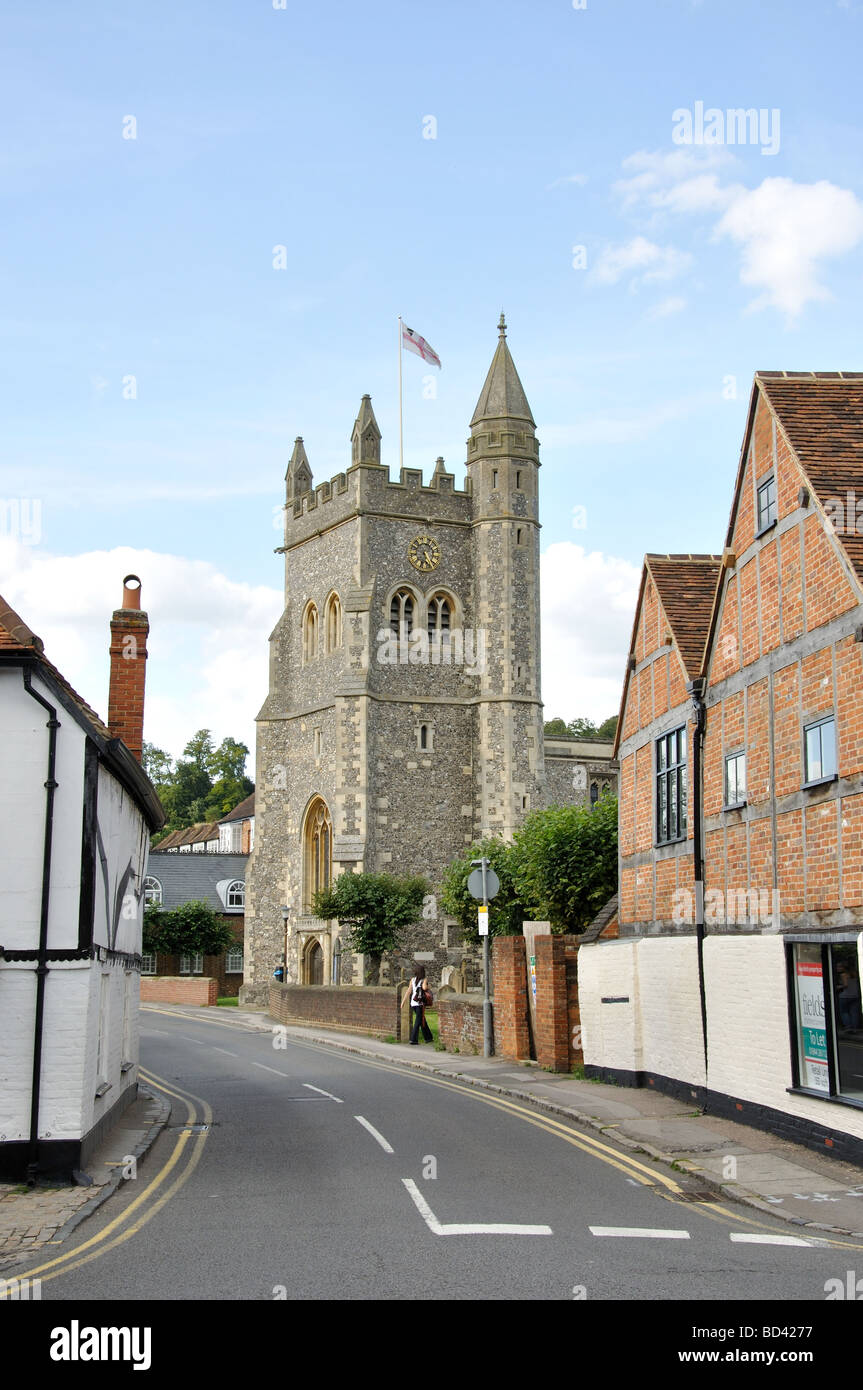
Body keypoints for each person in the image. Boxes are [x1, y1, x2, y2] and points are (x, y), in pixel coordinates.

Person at [407, 968, 433, 1045]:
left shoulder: (412, 980)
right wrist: (428, 986)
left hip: (413, 1003)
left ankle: (428, 1037)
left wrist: (403, 1002)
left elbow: (409, 991)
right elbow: (424, 988)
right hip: (420, 1003)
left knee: (422, 1020)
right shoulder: (423, 979)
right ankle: (413, 1039)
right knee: (418, 1021)